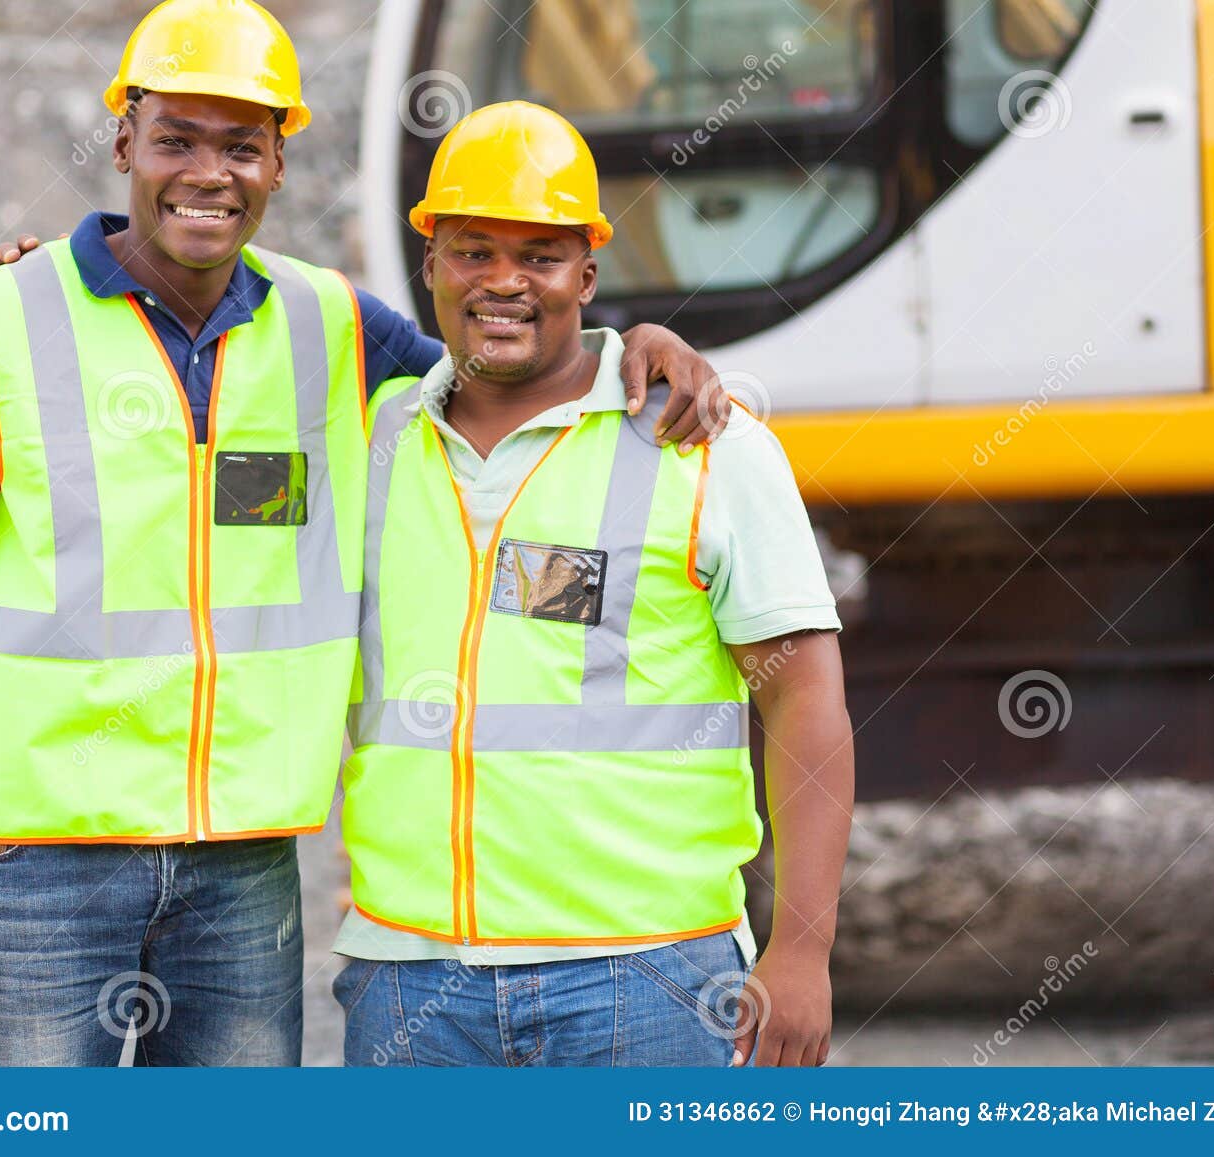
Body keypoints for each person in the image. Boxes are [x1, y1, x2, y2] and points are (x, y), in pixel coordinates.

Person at [0, 0, 727, 1067]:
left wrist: (632, 344)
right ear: (124, 139)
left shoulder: (336, 331)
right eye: (176, 137)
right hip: (32, 873)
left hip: (241, 872)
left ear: (279, 160)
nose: (208, 173)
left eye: (242, 144)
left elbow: (507, 360)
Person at [335, 102, 857, 1067]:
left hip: (645, 977)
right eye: (473, 250)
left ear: (588, 270)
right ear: (432, 264)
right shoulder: (372, 438)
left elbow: (803, 693)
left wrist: (803, 948)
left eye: (539, 255)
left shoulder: (703, 440)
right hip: (408, 974)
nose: (502, 281)